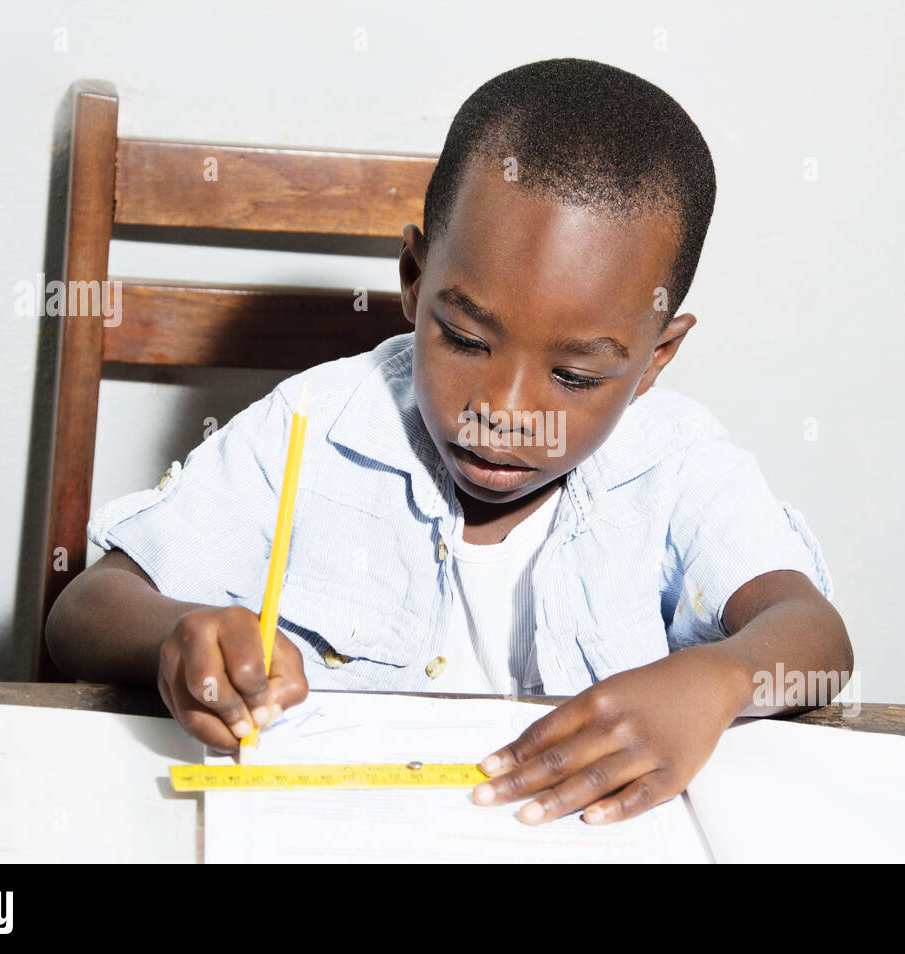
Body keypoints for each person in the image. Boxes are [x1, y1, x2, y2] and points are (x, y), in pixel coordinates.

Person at [46, 57, 853, 827]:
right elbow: (83, 612)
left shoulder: (672, 462)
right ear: (413, 278)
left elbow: (814, 635)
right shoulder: (314, 425)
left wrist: (714, 681)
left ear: (656, 358)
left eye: (574, 376)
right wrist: (177, 636)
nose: (503, 411)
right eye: (465, 339)